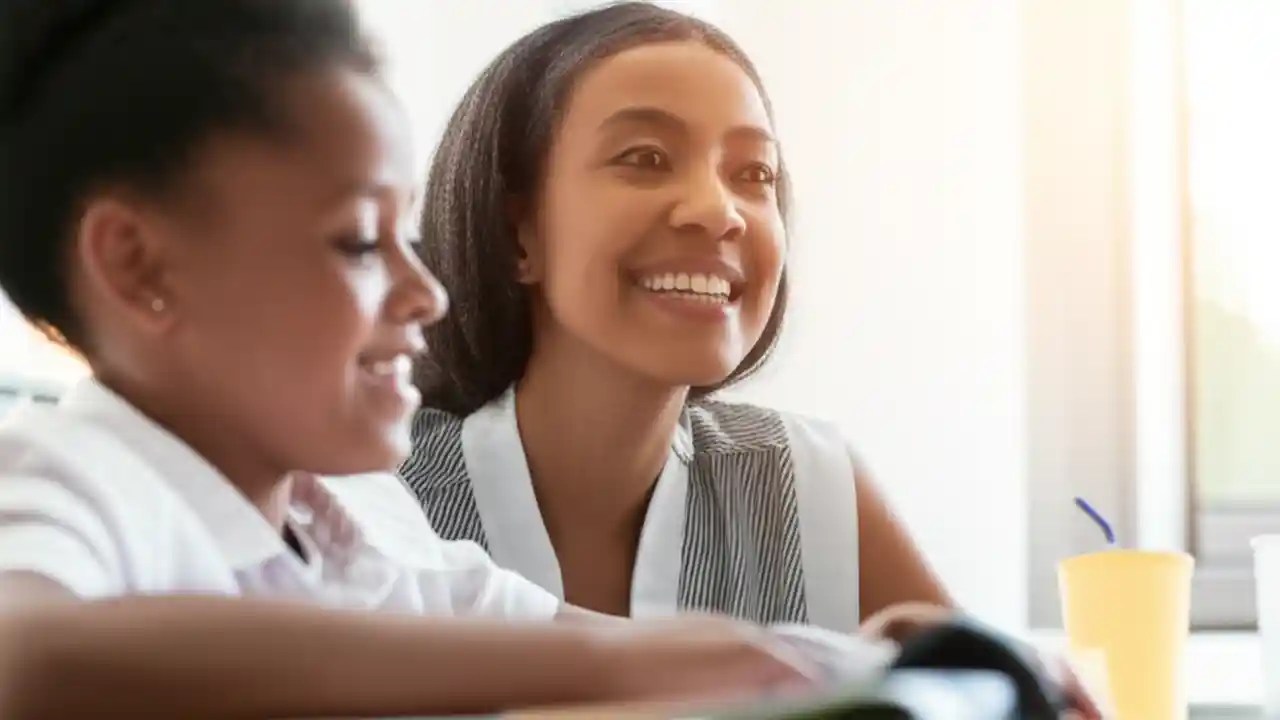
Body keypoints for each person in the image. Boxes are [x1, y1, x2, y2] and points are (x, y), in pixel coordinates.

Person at [0, 2, 822, 716]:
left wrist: (844, 665)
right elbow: (26, 658)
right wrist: (606, 666)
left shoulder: (362, 522)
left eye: (409, 235)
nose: (426, 292)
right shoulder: (62, 477)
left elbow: (563, 636)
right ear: (140, 267)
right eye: (361, 242)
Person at [404, 2, 949, 632]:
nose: (720, 212)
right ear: (517, 232)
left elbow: (995, 692)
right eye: (646, 158)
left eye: (754, 173)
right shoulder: (366, 497)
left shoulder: (806, 482)